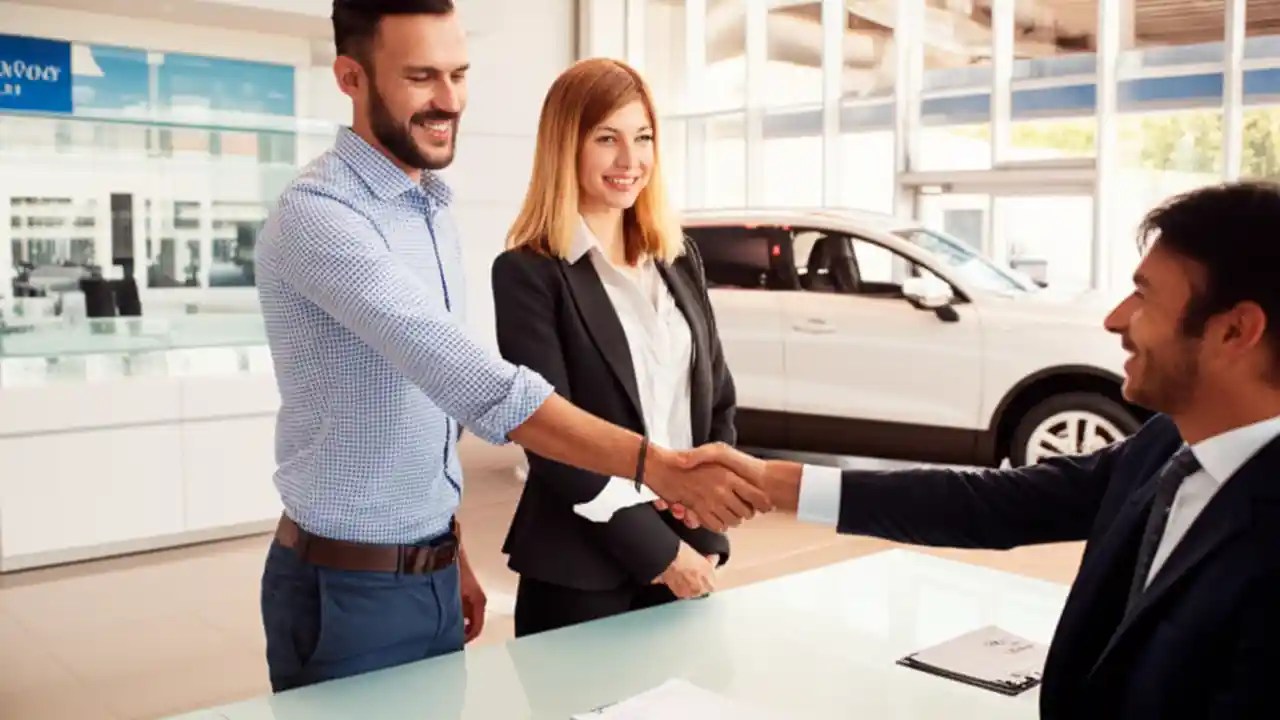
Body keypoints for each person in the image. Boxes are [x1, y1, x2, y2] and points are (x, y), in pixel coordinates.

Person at [253, 0, 770, 693]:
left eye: (459, 73)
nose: (449, 100)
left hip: (426, 568)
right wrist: (665, 469)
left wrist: (450, 549)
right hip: (349, 583)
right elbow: (480, 387)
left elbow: (423, 418)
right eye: (421, 77)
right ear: (350, 77)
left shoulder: (428, 208)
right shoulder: (320, 217)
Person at [677, 182, 1280, 719]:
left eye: (1144, 297)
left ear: (1235, 331)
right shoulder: (1170, 443)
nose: (1115, 320)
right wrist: (772, 484)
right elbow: (999, 503)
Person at [491, 58, 734, 637]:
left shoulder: (679, 261)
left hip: (689, 544)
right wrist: (660, 554)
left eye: (643, 138)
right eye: (607, 139)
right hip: (580, 570)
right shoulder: (529, 273)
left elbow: (717, 402)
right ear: (565, 147)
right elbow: (552, 440)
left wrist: (707, 522)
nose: (631, 161)